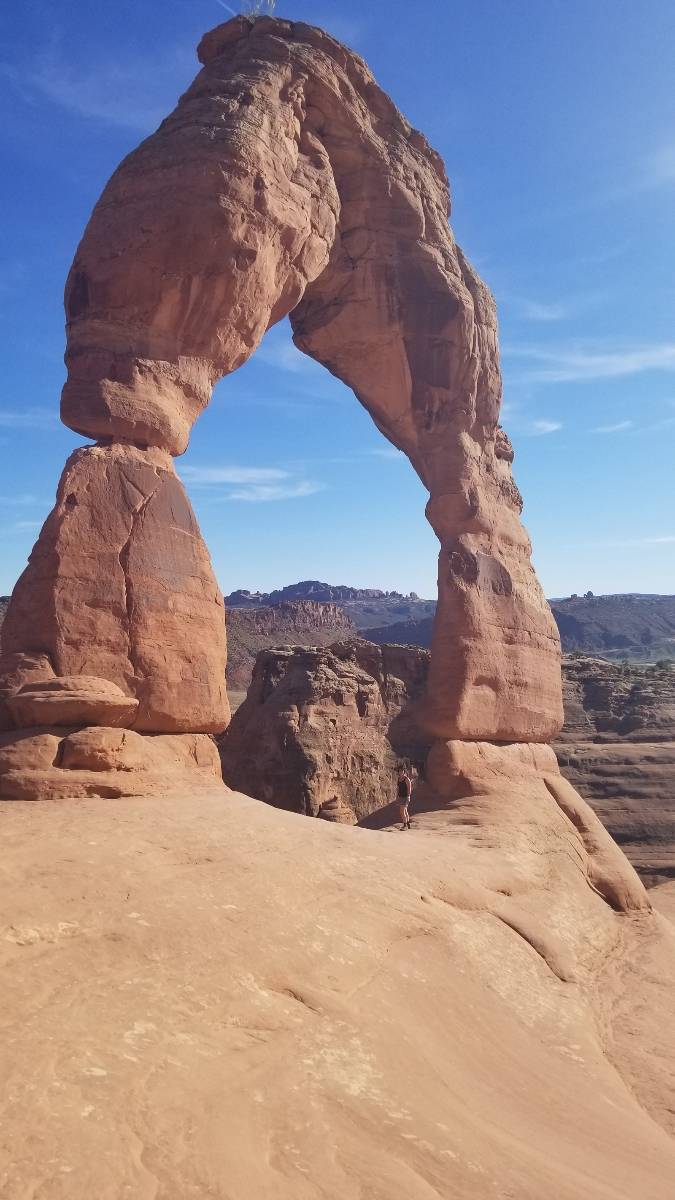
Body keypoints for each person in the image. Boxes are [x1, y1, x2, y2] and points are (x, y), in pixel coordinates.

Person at [396, 763, 412, 830]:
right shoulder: (399, 779)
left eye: (401, 771)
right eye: (399, 771)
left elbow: (409, 788)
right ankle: (408, 824)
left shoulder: (406, 779)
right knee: (405, 811)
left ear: (404, 771)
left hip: (405, 797)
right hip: (401, 797)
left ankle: (405, 826)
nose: (400, 772)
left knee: (402, 811)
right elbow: (398, 788)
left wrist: (408, 797)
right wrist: (397, 796)